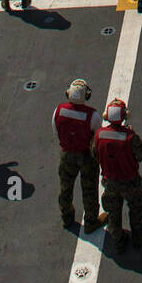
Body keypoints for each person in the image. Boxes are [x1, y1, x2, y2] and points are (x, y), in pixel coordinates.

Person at [94, 99, 142, 252]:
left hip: (110, 181)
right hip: (130, 181)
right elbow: (140, 155)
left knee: (113, 212)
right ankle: (139, 237)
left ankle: (118, 241)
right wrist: (131, 133)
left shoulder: (99, 135)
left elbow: (95, 154)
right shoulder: (130, 137)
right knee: (136, 209)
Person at [52, 79, 106, 233]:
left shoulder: (58, 111)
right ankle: (91, 220)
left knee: (65, 187)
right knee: (89, 189)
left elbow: (56, 132)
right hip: (86, 156)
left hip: (67, 154)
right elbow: (98, 138)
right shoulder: (93, 115)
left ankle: (67, 217)